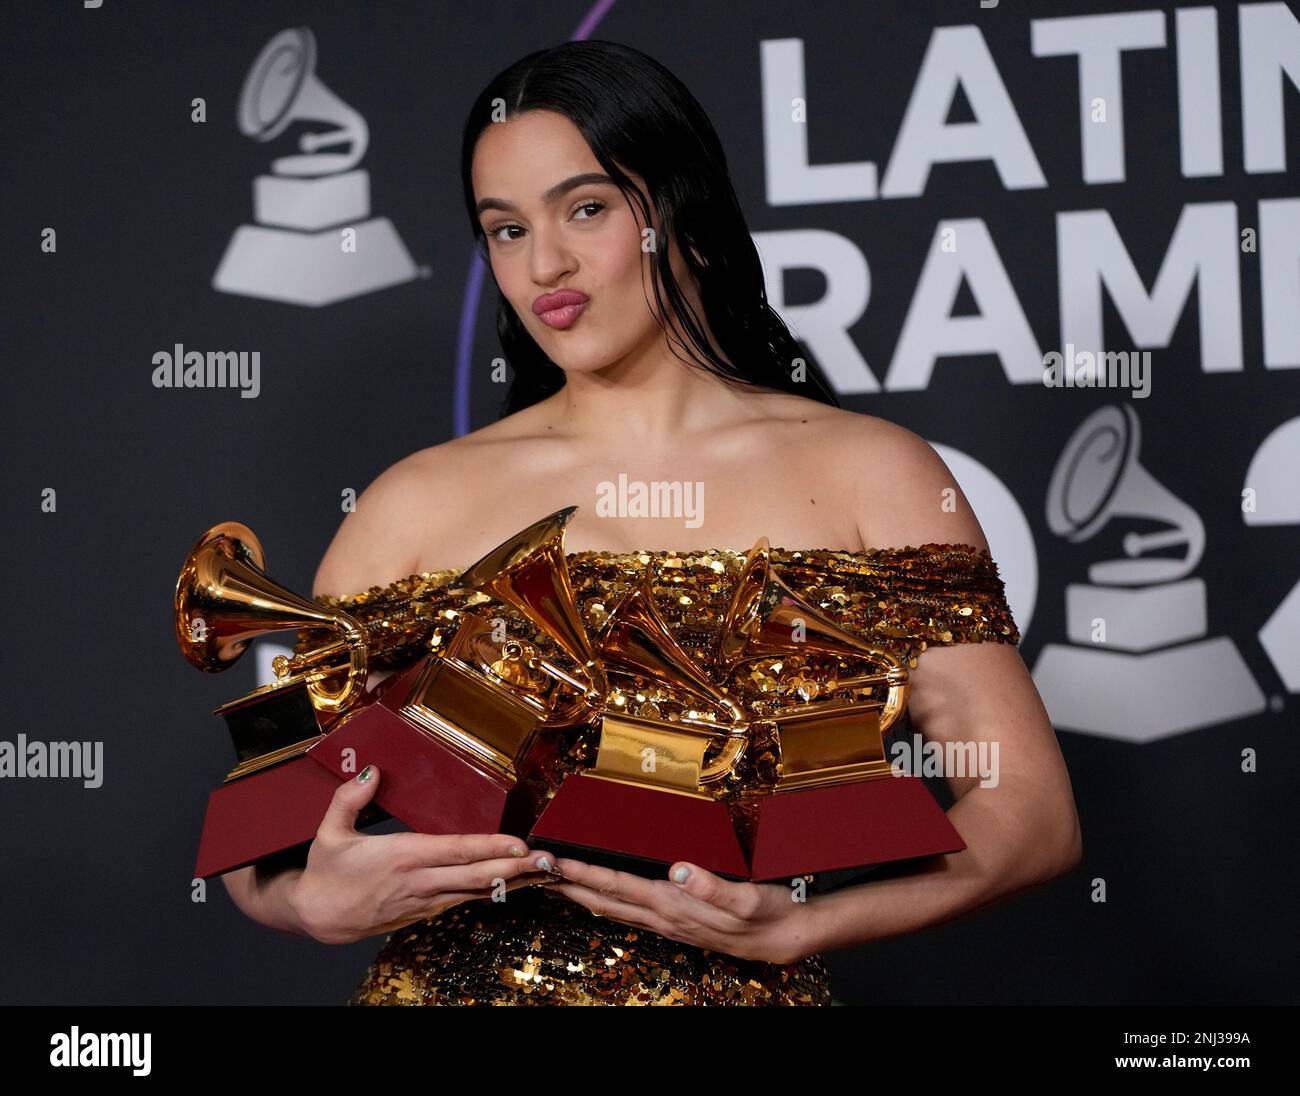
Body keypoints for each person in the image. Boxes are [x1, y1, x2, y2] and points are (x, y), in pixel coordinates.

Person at [220, 40, 1081, 1005]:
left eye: (585, 208)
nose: (544, 262)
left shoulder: (872, 472)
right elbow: (259, 836)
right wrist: (309, 901)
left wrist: (804, 925)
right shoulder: (413, 501)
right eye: (504, 230)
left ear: (682, 212)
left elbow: (1033, 818)